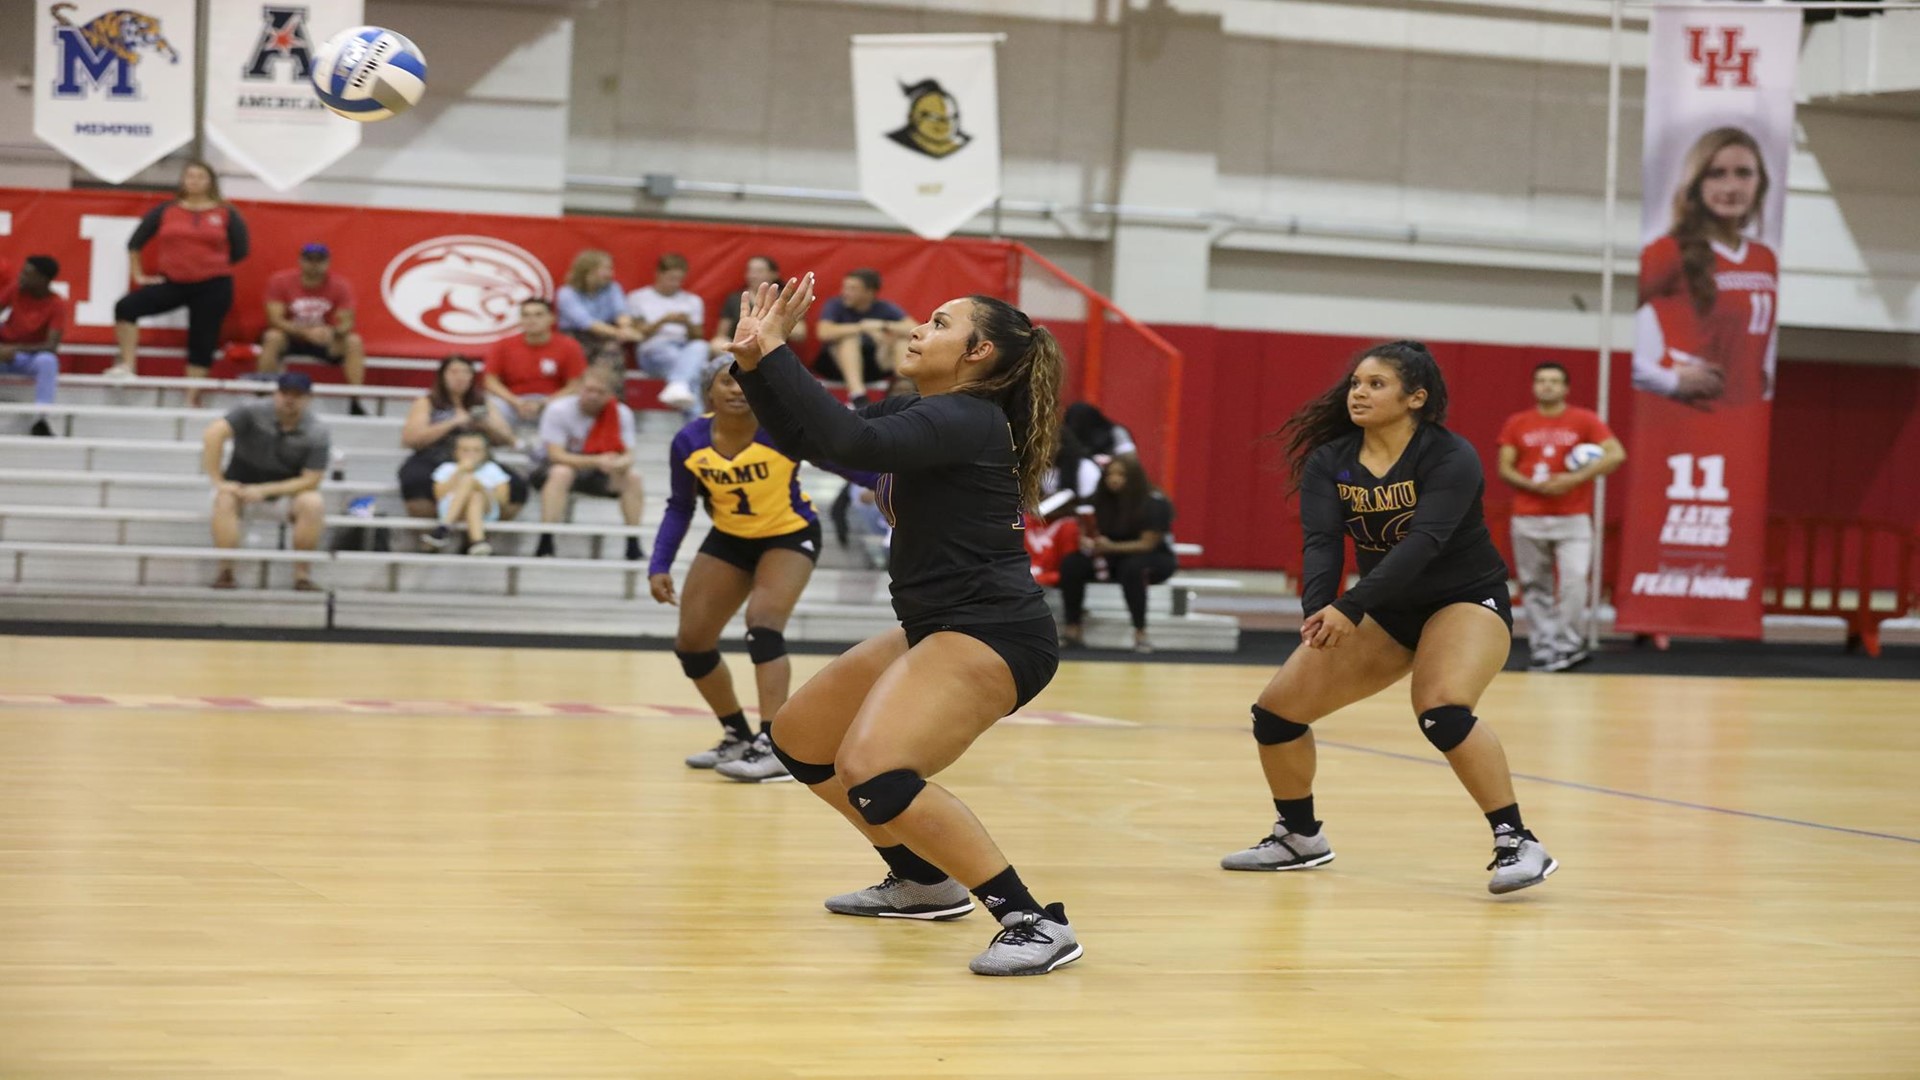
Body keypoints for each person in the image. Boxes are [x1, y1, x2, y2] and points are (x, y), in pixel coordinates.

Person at [725, 274, 1081, 978]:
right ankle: (921, 881)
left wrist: (777, 354)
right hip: (938, 622)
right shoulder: (931, 411)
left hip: (993, 631)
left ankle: (1032, 921)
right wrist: (752, 361)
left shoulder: (968, 420)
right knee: (800, 741)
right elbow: (812, 437)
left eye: (940, 322)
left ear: (978, 352)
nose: (918, 328)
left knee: (877, 772)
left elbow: (844, 435)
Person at [1220, 341, 1558, 896]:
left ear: (1415, 398)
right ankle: (1299, 837)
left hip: (1465, 600)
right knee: (1276, 715)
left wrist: (1350, 607)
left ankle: (1517, 840)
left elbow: (1425, 542)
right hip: (1386, 608)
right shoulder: (1332, 460)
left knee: (1442, 710)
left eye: (1376, 384)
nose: (1359, 392)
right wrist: (1317, 612)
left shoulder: (1450, 456)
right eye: (1356, 382)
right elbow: (1323, 542)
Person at [650, 358, 874, 774]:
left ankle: (774, 744)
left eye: (744, 383)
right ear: (709, 392)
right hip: (729, 539)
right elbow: (680, 506)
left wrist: (890, 486)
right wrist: (659, 562)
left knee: (763, 624)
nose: (736, 390)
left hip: (789, 535)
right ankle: (736, 735)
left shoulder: (780, 430)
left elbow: (842, 461)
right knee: (692, 644)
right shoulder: (689, 441)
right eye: (725, 383)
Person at [1634, 127, 1779, 409]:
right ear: (1697, 182)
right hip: (1686, 416)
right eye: (1716, 174)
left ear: (1759, 182)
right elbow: (1609, 327)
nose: (1731, 187)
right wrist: (1667, 381)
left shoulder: (1765, 258)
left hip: (1745, 420)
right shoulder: (1668, 251)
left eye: (1744, 173)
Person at [1496, 362, 1626, 672]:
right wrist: (1531, 485)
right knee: (1534, 584)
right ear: (1534, 386)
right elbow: (1505, 466)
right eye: (1541, 380)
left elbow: (1616, 454)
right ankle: (1544, 648)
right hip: (1529, 516)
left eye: (1554, 381)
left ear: (1566, 388)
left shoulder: (1584, 420)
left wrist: (1575, 479)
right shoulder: (1518, 422)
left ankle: (1568, 644)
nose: (1547, 386)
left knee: (1574, 581)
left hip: (1573, 517)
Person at [112, 161, 249, 406]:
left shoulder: (226, 213)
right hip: (174, 282)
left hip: (213, 284)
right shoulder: (166, 210)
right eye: (190, 176)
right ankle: (127, 365)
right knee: (127, 307)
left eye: (200, 176)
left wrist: (208, 263)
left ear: (210, 182)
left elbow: (240, 250)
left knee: (202, 340)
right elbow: (135, 243)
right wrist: (139, 275)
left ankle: (190, 398)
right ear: (183, 180)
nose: (194, 181)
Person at [202, 372, 329, 590]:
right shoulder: (251, 412)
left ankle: (302, 575)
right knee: (224, 500)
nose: (289, 399)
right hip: (238, 487)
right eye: (284, 393)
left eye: (297, 395)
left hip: (284, 493)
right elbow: (214, 433)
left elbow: (312, 480)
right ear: (275, 393)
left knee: (313, 503)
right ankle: (225, 571)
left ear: (308, 398)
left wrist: (265, 490)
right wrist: (218, 480)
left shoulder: (317, 431)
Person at [1057, 455, 1178, 653]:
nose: (1114, 479)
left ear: (1134, 477)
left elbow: (1147, 544)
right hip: (1109, 554)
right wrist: (1086, 540)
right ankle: (1073, 628)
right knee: (1072, 564)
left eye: (1121, 474)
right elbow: (1086, 529)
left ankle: (1140, 632)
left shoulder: (1154, 503)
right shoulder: (1097, 500)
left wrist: (1110, 547)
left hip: (1152, 557)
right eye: (1110, 474)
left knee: (1132, 568)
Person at [398, 355, 522, 546]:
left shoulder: (483, 403)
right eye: (454, 372)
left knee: (517, 485)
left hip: (478, 458)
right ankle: (430, 536)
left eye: (466, 372)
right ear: (442, 376)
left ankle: (471, 536)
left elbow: (507, 439)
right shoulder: (427, 402)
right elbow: (411, 439)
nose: (460, 377)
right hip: (435, 456)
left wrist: (486, 424)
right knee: (415, 481)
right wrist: (453, 422)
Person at [531, 366, 645, 561]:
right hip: (551, 469)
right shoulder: (559, 410)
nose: (593, 396)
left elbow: (629, 455)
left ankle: (633, 544)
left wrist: (618, 464)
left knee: (633, 477)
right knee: (561, 472)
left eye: (600, 392)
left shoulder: (621, 413)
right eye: (589, 390)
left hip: (599, 471)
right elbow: (556, 455)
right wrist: (596, 460)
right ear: (579, 389)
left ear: (610, 394)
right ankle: (545, 540)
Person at [257, 242, 367, 414]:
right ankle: (262, 395)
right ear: (300, 261)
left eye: (319, 260)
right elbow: (275, 319)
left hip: (324, 339)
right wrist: (305, 332)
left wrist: (333, 331)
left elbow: (347, 322)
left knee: (354, 341)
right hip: (291, 336)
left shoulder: (341, 286)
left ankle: (355, 400)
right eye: (309, 260)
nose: (314, 265)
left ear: (327, 262)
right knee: (272, 337)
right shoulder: (280, 281)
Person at [483, 298, 587, 438]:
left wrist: (543, 403)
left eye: (538, 315)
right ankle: (513, 444)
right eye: (526, 315)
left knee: (570, 404)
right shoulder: (503, 345)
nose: (531, 320)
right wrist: (516, 402)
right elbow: (490, 381)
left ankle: (557, 447)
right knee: (490, 404)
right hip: (514, 401)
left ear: (551, 318)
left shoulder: (569, 346)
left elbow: (575, 385)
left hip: (551, 402)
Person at [812, 269, 913, 404]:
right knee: (849, 340)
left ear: (869, 292)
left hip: (873, 364)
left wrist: (882, 325)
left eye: (852, 288)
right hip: (835, 366)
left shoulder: (884, 308)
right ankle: (858, 396)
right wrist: (861, 327)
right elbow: (823, 332)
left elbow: (913, 328)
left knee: (900, 341)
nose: (844, 292)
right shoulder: (835, 305)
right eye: (845, 287)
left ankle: (903, 390)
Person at [626, 253, 706, 411]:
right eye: (671, 278)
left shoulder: (693, 301)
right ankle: (680, 385)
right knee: (693, 371)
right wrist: (663, 320)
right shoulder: (638, 298)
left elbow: (698, 335)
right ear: (658, 274)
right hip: (653, 350)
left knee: (701, 346)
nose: (675, 284)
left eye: (679, 279)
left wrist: (687, 323)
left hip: (684, 347)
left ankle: (678, 385)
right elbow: (638, 333)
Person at [0, 256, 68, 437]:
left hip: (26, 356)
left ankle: (41, 420)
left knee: (48, 361)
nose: (21, 277)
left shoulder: (57, 304)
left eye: (27, 274)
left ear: (43, 280)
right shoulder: (15, 290)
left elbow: (51, 345)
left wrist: (14, 350)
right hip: (3, 349)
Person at [430, 430, 515, 557]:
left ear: (485, 452)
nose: (471, 455)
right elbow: (439, 496)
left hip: (486, 510)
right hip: (452, 510)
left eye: (476, 450)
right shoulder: (447, 468)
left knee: (472, 484)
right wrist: (459, 472)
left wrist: (479, 486)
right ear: (455, 452)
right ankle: (478, 541)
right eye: (465, 450)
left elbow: (502, 501)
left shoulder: (492, 469)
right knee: (474, 495)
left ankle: (444, 528)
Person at [555, 249, 640, 368]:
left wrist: (625, 327)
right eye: (606, 269)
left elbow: (621, 311)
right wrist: (620, 333)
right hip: (576, 337)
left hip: (606, 334)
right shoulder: (567, 293)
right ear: (589, 271)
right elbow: (587, 323)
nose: (611, 274)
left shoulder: (612, 288)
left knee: (613, 351)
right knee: (576, 353)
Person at [710, 254, 806, 354]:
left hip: (772, 350)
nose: (753, 275)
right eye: (750, 271)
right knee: (717, 344)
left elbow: (800, 333)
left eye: (759, 271)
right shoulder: (735, 299)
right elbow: (721, 335)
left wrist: (770, 325)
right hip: (739, 351)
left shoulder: (785, 298)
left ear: (774, 274)